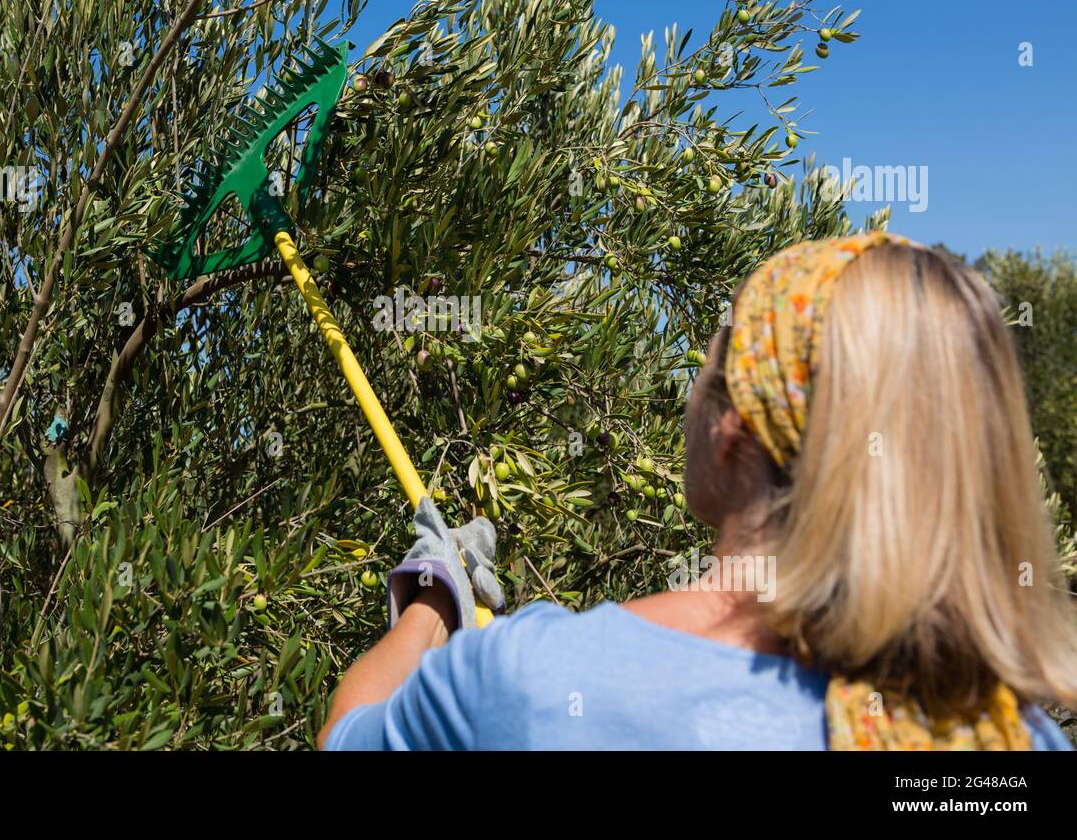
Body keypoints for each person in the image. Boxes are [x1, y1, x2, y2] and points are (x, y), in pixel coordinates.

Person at [319, 232, 1077, 750]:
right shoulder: (1009, 733)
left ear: (735, 431)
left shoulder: (534, 680)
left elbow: (347, 736)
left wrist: (432, 596)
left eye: (707, 367)